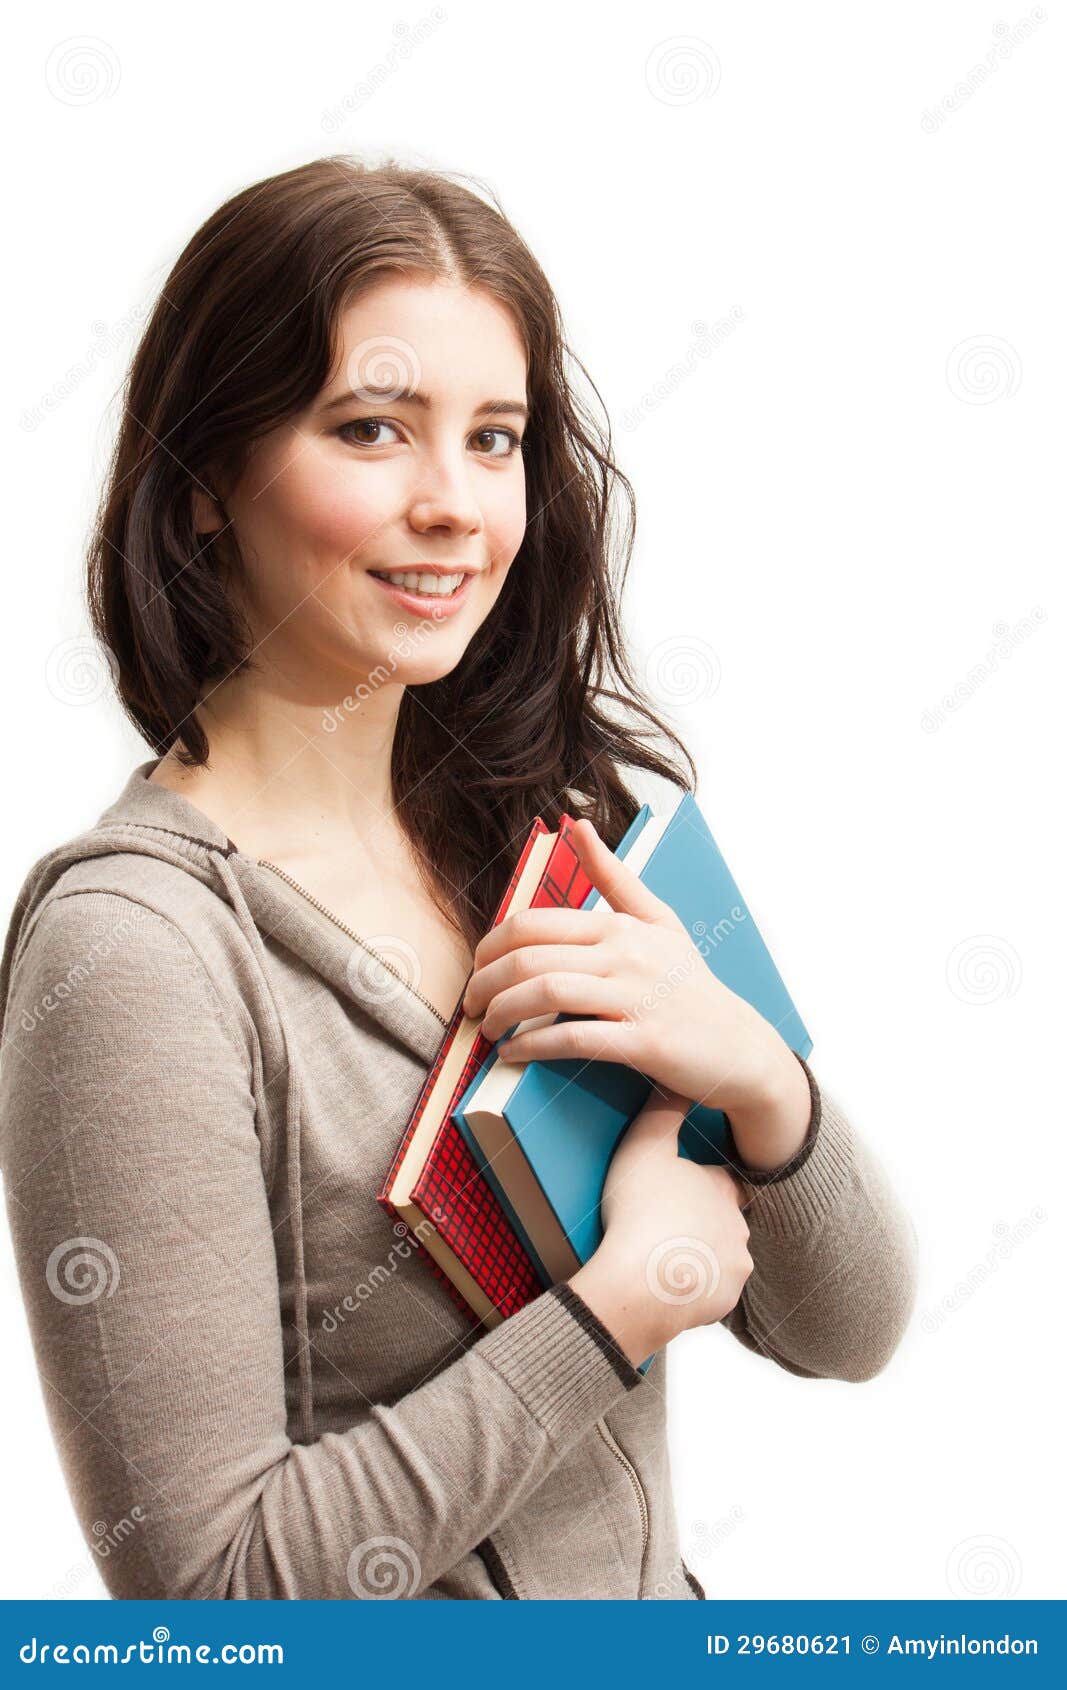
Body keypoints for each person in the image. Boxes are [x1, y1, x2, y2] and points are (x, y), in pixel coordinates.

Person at [0, 156, 917, 1601]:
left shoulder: (542, 834)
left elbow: (850, 1329)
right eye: (371, 428)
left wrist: (762, 1080)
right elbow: (205, 1592)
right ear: (198, 495)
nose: (455, 504)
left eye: (495, 439)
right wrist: (615, 1310)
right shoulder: (137, 951)